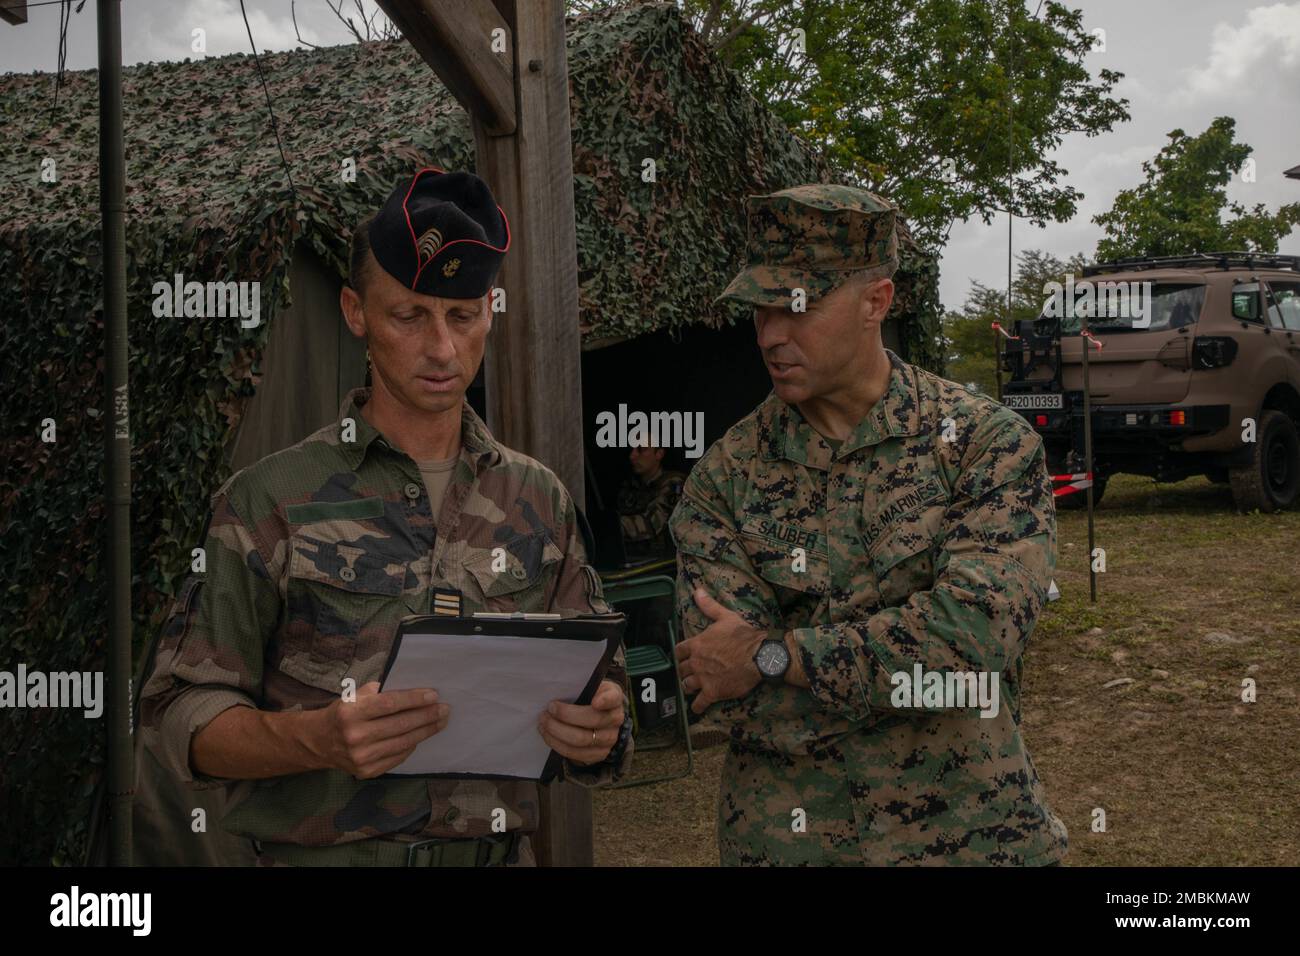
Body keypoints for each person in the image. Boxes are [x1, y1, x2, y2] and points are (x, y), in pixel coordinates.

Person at [141, 168, 632, 867]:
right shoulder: (269, 500)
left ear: (489, 313)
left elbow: (603, 684)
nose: (442, 348)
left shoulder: (538, 498)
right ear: (356, 312)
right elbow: (181, 717)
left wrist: (601, 725)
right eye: (410, 316)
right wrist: (316, 739)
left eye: (462, 316)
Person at [668, 184, 1068, 866]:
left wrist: (772, 657)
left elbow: (976, 640)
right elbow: (721, 690)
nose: (770, 335)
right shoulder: (722, 480)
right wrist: (911, 671)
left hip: (971, 839)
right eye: (761, 309)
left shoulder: (982, 443)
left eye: (797, 307)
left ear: (875, 302)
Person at [616, 441, 685, 561]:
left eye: (641, 449)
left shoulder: (673, 483)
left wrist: (615, 527)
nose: (632, 456)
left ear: (659, 454)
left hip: (662, 563)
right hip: (632, 559)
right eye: (632, 449)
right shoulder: (630, 486)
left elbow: (652, 523)